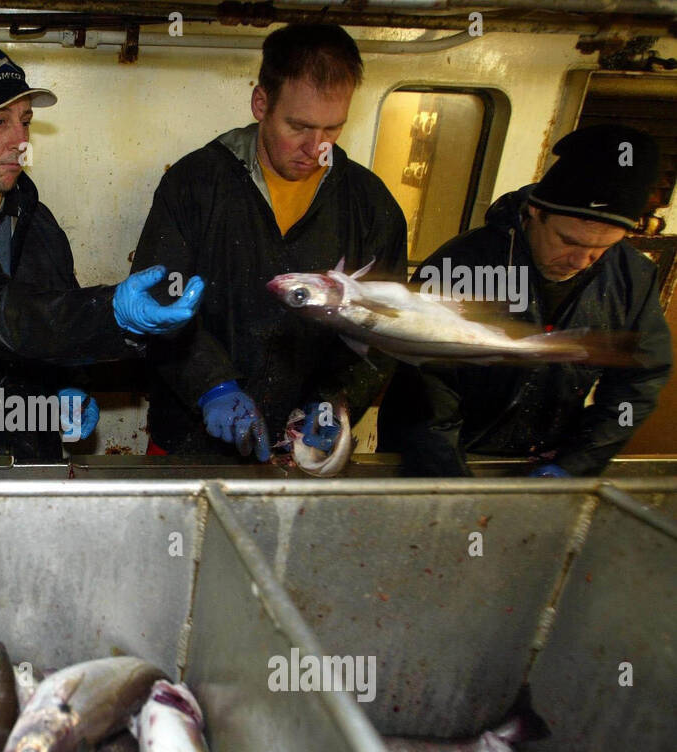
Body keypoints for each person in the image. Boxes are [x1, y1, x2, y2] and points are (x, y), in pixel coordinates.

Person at [0, 47, 204, 458]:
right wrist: (110, 310)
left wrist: (69, 385)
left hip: (21, 457)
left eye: (25, 122)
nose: (20, 140)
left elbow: (55, 311)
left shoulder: (35, 220)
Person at [133, 23, 408, 460]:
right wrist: (212, 386)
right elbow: (158, 302)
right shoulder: (195, 185)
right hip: (189, 437)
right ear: (261, 103)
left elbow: (382, 327)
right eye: (298, 127)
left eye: (332, 129)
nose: (315, 148)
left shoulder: (371, 207)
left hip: (299, 448)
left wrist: (338, 400)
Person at [379, 124, 672, 477]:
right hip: (448, 457)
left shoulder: (633, 276)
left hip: (546, 459)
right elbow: (425, 388)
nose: (581, 261)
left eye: (602, 248)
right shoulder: (462, 265)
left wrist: (576, 463)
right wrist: (452, 485)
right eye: (569, 242)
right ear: (536, 211)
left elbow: (639, 378)